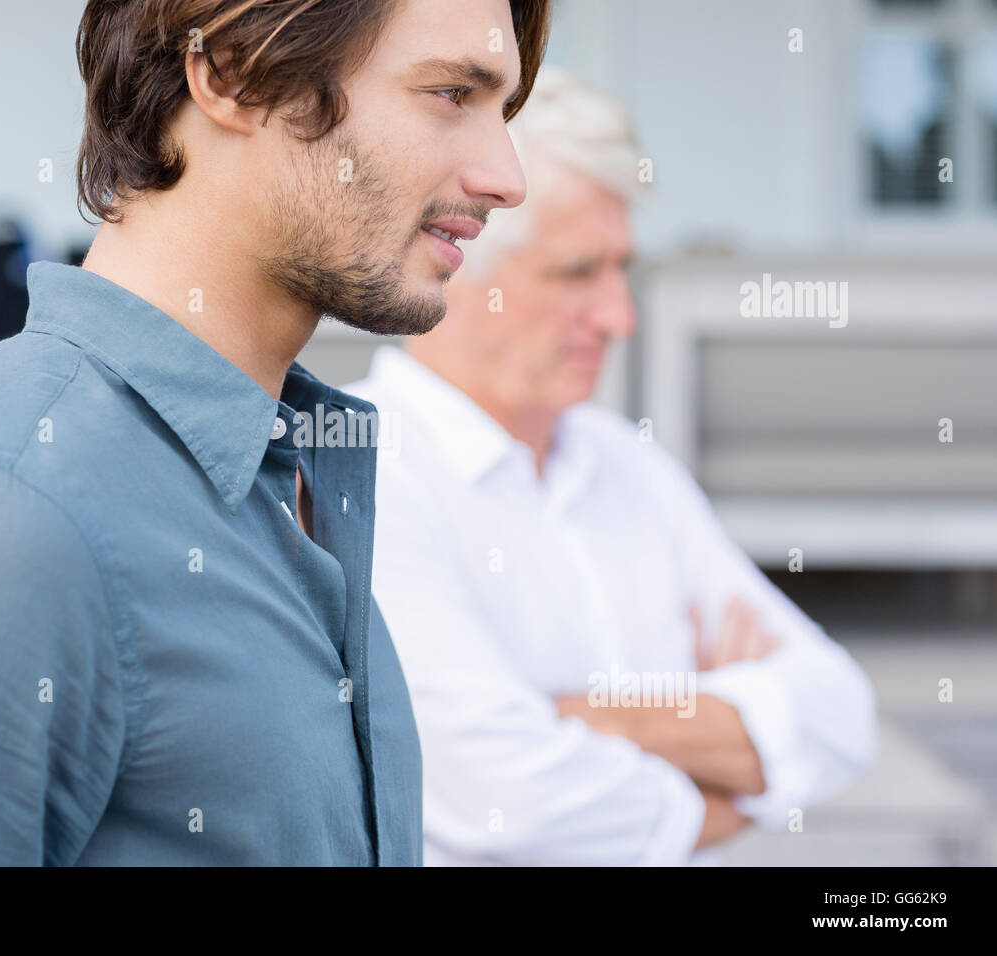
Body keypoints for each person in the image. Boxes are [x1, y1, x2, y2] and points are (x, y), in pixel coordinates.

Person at [0, 0, 552, 865]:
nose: (506, 176)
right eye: (449, 94)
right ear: (233, 72)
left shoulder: (292, 479)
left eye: (500, 110)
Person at [347, 68, 877, 866]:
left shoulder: (629, 466)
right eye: (576, 272)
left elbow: (841, 712)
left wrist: (594, 718)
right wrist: (719, 751)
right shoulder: (365, 472)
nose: (619, 316)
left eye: (620, 268)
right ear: (458, 261)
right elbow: (507, 801)